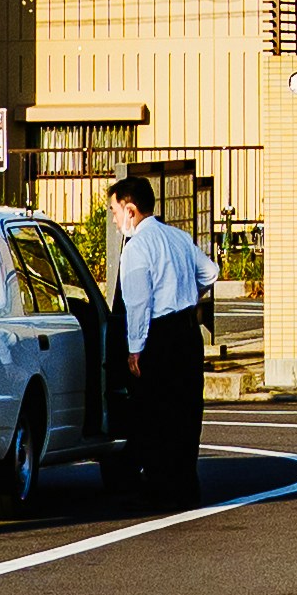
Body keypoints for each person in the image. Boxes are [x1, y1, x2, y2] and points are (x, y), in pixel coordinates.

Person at [107, 166, 217, 507]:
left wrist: (135, 349)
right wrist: (189, 294)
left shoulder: (137, 248)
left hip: (158, 337)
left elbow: (138, 303)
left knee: (153, 412)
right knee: (186, 410)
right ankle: (186, 484)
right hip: (188, 333)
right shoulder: (178, 237)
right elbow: (210, 272)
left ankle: (158, 486)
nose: (113, 219)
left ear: (130, 209)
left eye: (113, 211)